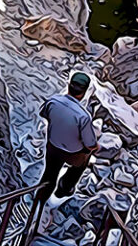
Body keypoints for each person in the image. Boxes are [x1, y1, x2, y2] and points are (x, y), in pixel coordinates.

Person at [37, 72, 98, 201]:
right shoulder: (83, 116)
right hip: (72, 153)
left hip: (53, 146)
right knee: (83, 161)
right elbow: (90, 144)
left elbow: (44, 114)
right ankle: (64, 188)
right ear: (84, 92)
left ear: (69, 86)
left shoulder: (53, 101)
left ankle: (41, 197)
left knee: (50, 173)